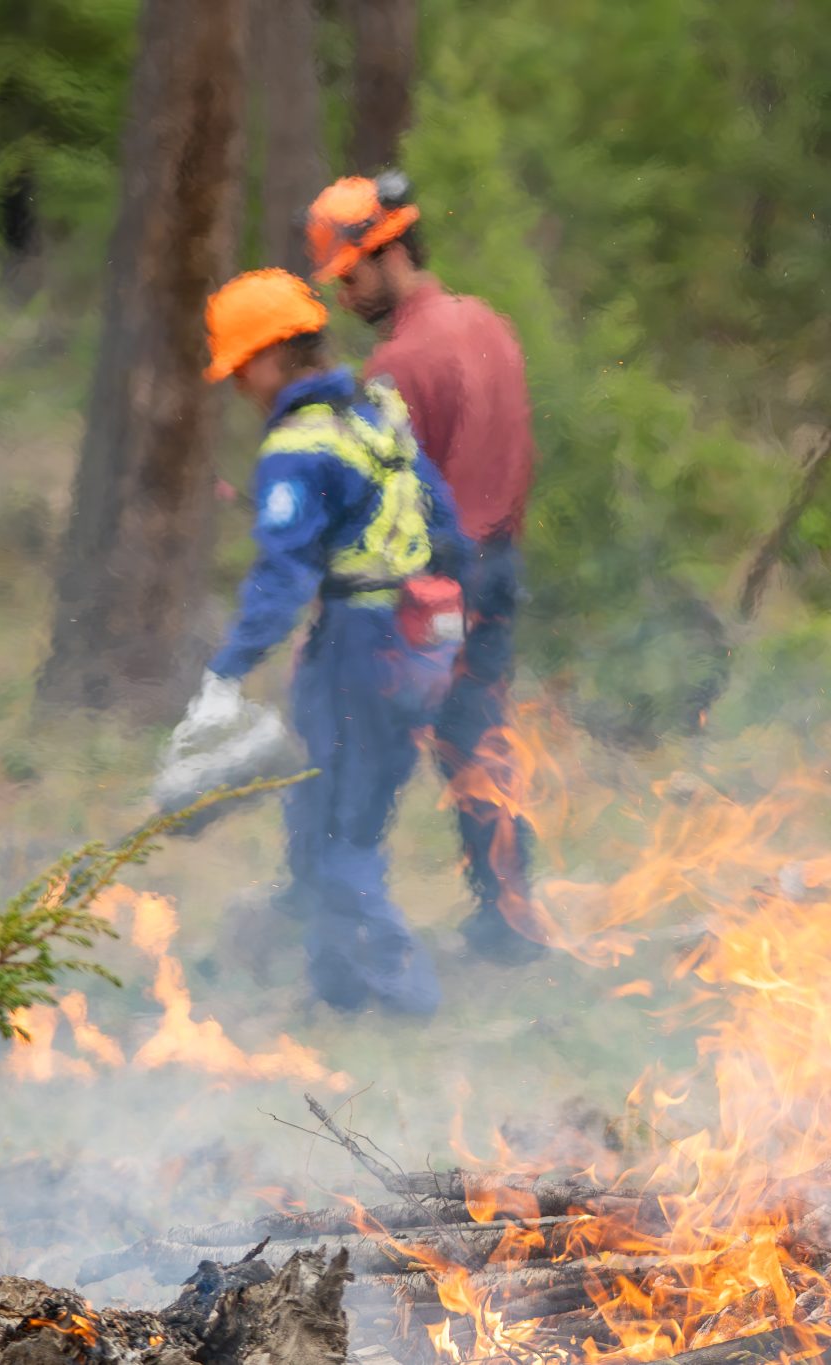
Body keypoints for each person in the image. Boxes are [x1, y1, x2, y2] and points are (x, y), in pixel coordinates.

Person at [174, 267, 471, 1015]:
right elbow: (447, 528)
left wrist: (228, 671)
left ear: (275, 356)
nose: (237, 384)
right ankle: (336, 991)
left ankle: (406, 1001)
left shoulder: (300, 445)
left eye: (241, 367)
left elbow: (284, 575)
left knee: (339, 835)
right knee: (329, 820)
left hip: (356, 648)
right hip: (417, 643)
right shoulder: (377, 413)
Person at [302, 172, 547, 966]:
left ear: (391, 252)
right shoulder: (490, 325)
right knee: (481, 736)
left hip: (434, 581)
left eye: (351, 276)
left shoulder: (399, 366)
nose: (345, 296)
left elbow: (386, 507)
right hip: (499, 560)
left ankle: (341, 932)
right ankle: (510, 911)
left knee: (363, 744)